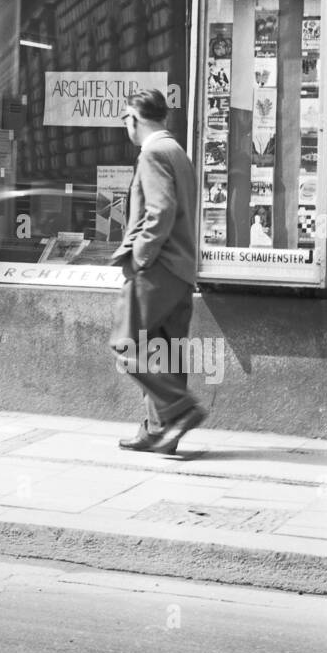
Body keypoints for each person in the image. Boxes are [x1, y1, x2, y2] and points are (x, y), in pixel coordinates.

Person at [109, 89, 208, 455]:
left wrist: (141, 257)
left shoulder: (152, 153)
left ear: (135, 118)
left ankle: (181, 410)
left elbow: (160, 211)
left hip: (158, 267)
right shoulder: (177, 152)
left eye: (124, 117)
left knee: (126, 345)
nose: (125, 125)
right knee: (165, 351)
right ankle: (158, 430)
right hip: (181, 269)